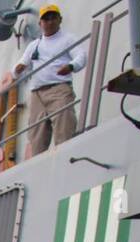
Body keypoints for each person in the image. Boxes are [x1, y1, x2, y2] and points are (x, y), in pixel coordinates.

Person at [16, 5, 87, 158]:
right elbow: (21, 64)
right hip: (37, 94)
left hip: (58, 89)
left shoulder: (68, 39)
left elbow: (81, 56)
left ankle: (66, 158)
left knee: (64, 127)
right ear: (40, 23)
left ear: (59, 20)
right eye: (46, 19)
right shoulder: (34, 45)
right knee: (37, 134)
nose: (50, 21)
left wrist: (71, 66)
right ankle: (37, 165)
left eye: (53, 17)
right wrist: (19, 68)